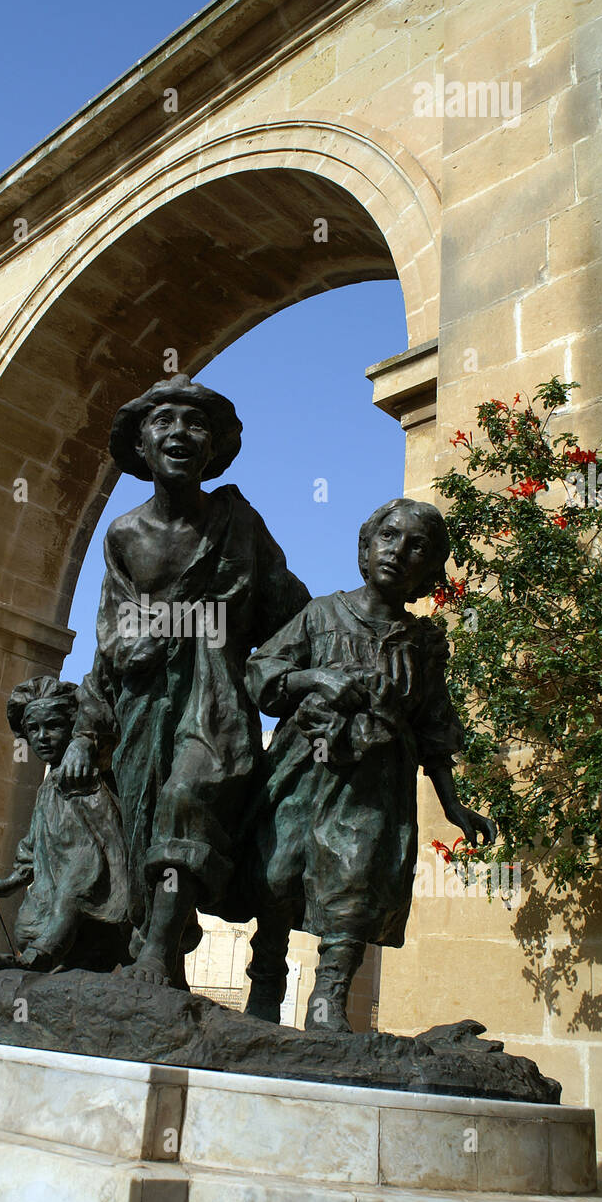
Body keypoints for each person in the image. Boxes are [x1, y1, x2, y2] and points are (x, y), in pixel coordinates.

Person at [60, 374, 310, 985]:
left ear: (214, 446)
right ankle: (154, 955)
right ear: (140, 444)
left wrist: (302, 675)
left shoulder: (239, 524)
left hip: (217, 700)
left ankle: (154, 957)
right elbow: (108, 638)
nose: (179, 433)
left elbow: (293, 613)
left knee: (187, 798)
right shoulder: (123, 536)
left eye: (195, 424)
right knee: (141, 819)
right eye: (163, 421)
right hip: (145, 704)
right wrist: (86, 734)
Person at [242, 497, 496, 1031]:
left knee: (355, 880)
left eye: (417, 547)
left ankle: (329, 998)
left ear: (429, 569)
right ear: (366, 545)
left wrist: (455, 806)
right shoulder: (320, 614)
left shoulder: (423, 643)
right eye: (388, 536)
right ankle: (265, 987)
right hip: (300, 772)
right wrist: (315, 679)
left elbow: (433, 728)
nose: (399, 552)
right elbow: (263, 674)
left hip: (376, 785)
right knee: (277, 874)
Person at [0, 677, 131, 975]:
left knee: (68, 901)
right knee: (32, 918)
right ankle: (53, 963)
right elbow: (32, 845)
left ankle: (33, 960)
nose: (42, 737)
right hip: (54, 874)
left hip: (90, 866)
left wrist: (87, 746)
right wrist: (10, 882)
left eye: (54, 726)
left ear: (73, 727)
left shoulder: (83, 771)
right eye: (34, 729)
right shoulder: (46, 787)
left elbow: (108, 827)